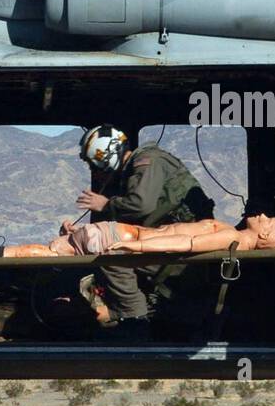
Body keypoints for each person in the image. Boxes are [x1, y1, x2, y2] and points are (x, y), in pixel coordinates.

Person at [73, 124, 215, 337]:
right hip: (172, 245)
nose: (95, 173)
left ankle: (133, 319)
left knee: (112, 257)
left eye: (95, 166)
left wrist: (105, 205)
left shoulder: (147, 162)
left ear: (106, 158)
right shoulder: (132, 173)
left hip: (186, 254)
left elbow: (141, 205)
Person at [0, 214, 275, 258]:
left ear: (265, 237)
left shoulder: (228, 236)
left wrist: (136, 244)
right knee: (51, 250)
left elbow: (184, 243)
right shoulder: (231, 236)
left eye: (268, 221)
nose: (261, 215)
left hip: (119, 235)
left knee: (51, 251)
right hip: (113, 235)